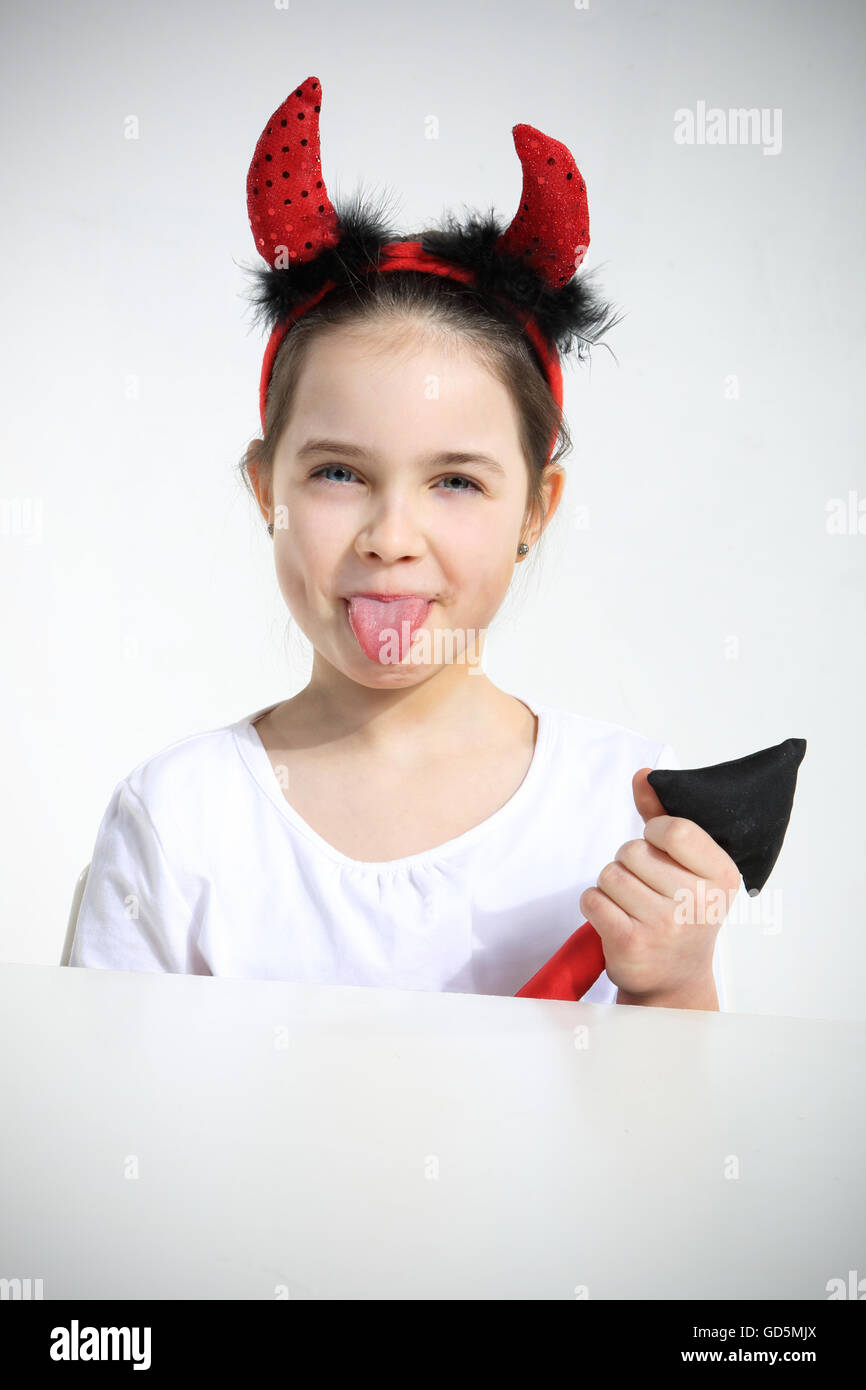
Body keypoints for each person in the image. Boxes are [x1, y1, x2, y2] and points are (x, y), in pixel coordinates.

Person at [69, 77, 734, 1010]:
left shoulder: (626, 810)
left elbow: (677, 1138)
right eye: (338, 474)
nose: (390, 539)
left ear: (537, 511)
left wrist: (678, 981)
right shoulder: (177, 820)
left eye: (456, 482)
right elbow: (103, 1115)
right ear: (267, 489)